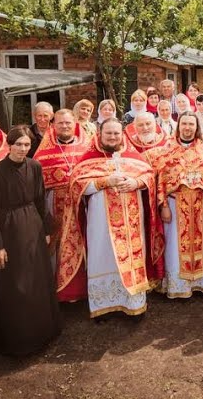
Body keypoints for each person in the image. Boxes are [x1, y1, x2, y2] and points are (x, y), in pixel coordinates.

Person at [60, 119, 162, 318]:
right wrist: (103, 182)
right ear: (100, 134)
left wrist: (136, 182)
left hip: (132, 221)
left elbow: (149, 176)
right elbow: (76, 186)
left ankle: (134, 304)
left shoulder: (133, 155)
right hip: (101, 224)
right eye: (109, 134)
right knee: (102, 257)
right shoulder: (87, 158)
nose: (113, 137)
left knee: (133, 257)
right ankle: (103, 306)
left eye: (117, 133)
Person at [0, 126, 64, 356]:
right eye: (18, 144)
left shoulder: (35, 166)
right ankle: (19, 338)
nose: (22, 149)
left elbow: (40, 199)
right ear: (9, 145)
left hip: (33, 227)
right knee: (16, 282)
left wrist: (46, 229)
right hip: (9, 230)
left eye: (27, 145)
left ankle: (43, 331)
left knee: (37, 278)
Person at [152, 112, 203, 299]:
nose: (188, 128)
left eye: (191, 124)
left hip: (199, 204)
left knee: (202, 244)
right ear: (178, 126)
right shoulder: (168, 149)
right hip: (175, 203)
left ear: (196, 127)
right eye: (184, 124)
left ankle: (201, 283)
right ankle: (178, 286)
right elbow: (161, 181)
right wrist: (163, 205)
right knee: (175, 245)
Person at [33, 109, 90, 303]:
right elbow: (38, 184)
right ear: (53, 125)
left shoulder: (88, 147)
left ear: (75, 123)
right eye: (60, 123)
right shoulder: (43, 152)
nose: (64, 126)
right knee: (58, 245)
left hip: (83, 203)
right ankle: (60, 290)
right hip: (55, 204)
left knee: (85, 240)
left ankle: (86, 288)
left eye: (68, 123)